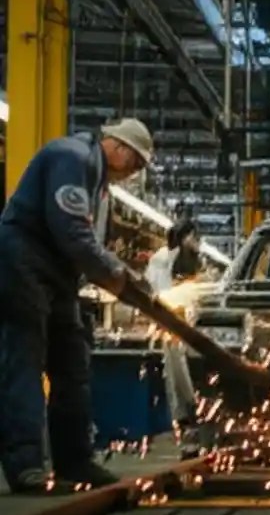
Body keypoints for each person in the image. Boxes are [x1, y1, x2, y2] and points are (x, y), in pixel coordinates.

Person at [0, 119, 155, 493]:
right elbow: (71, 231)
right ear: (118, 146)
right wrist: (116, 275)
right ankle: (25, 466)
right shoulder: (72, 158)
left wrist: (116, 274)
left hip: (58, 275)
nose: (134, 172)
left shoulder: (96, 180)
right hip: (23, 264)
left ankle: (75, 461)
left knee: (73, 363)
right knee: (25, 363)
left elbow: (82, 240)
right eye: (135, 163)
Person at [145, 218, 203, 459]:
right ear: (184, 236)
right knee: (178, 383)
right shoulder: (163, 259)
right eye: (193, 237)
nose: (197, 242)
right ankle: (186, 428)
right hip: (172, 329)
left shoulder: (194, 260)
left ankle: (194, 424)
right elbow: (155, 289)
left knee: (190, 380)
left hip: (189, 328)